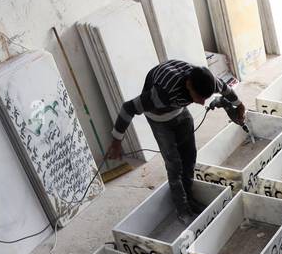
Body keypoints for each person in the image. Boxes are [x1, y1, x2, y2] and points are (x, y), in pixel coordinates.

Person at [106, 60, 247, 220]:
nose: (202, 103)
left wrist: (239, 105)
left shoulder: (206, 81)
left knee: (190, 156)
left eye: (205, 98)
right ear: (188, 84)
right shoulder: (162, 94)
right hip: (159, 119)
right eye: (199, 97)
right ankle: (182, 209)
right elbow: (128, 108)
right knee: (174, 164)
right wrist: (117, 141)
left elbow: (225, 89)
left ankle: (189, 197)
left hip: (179, 111)